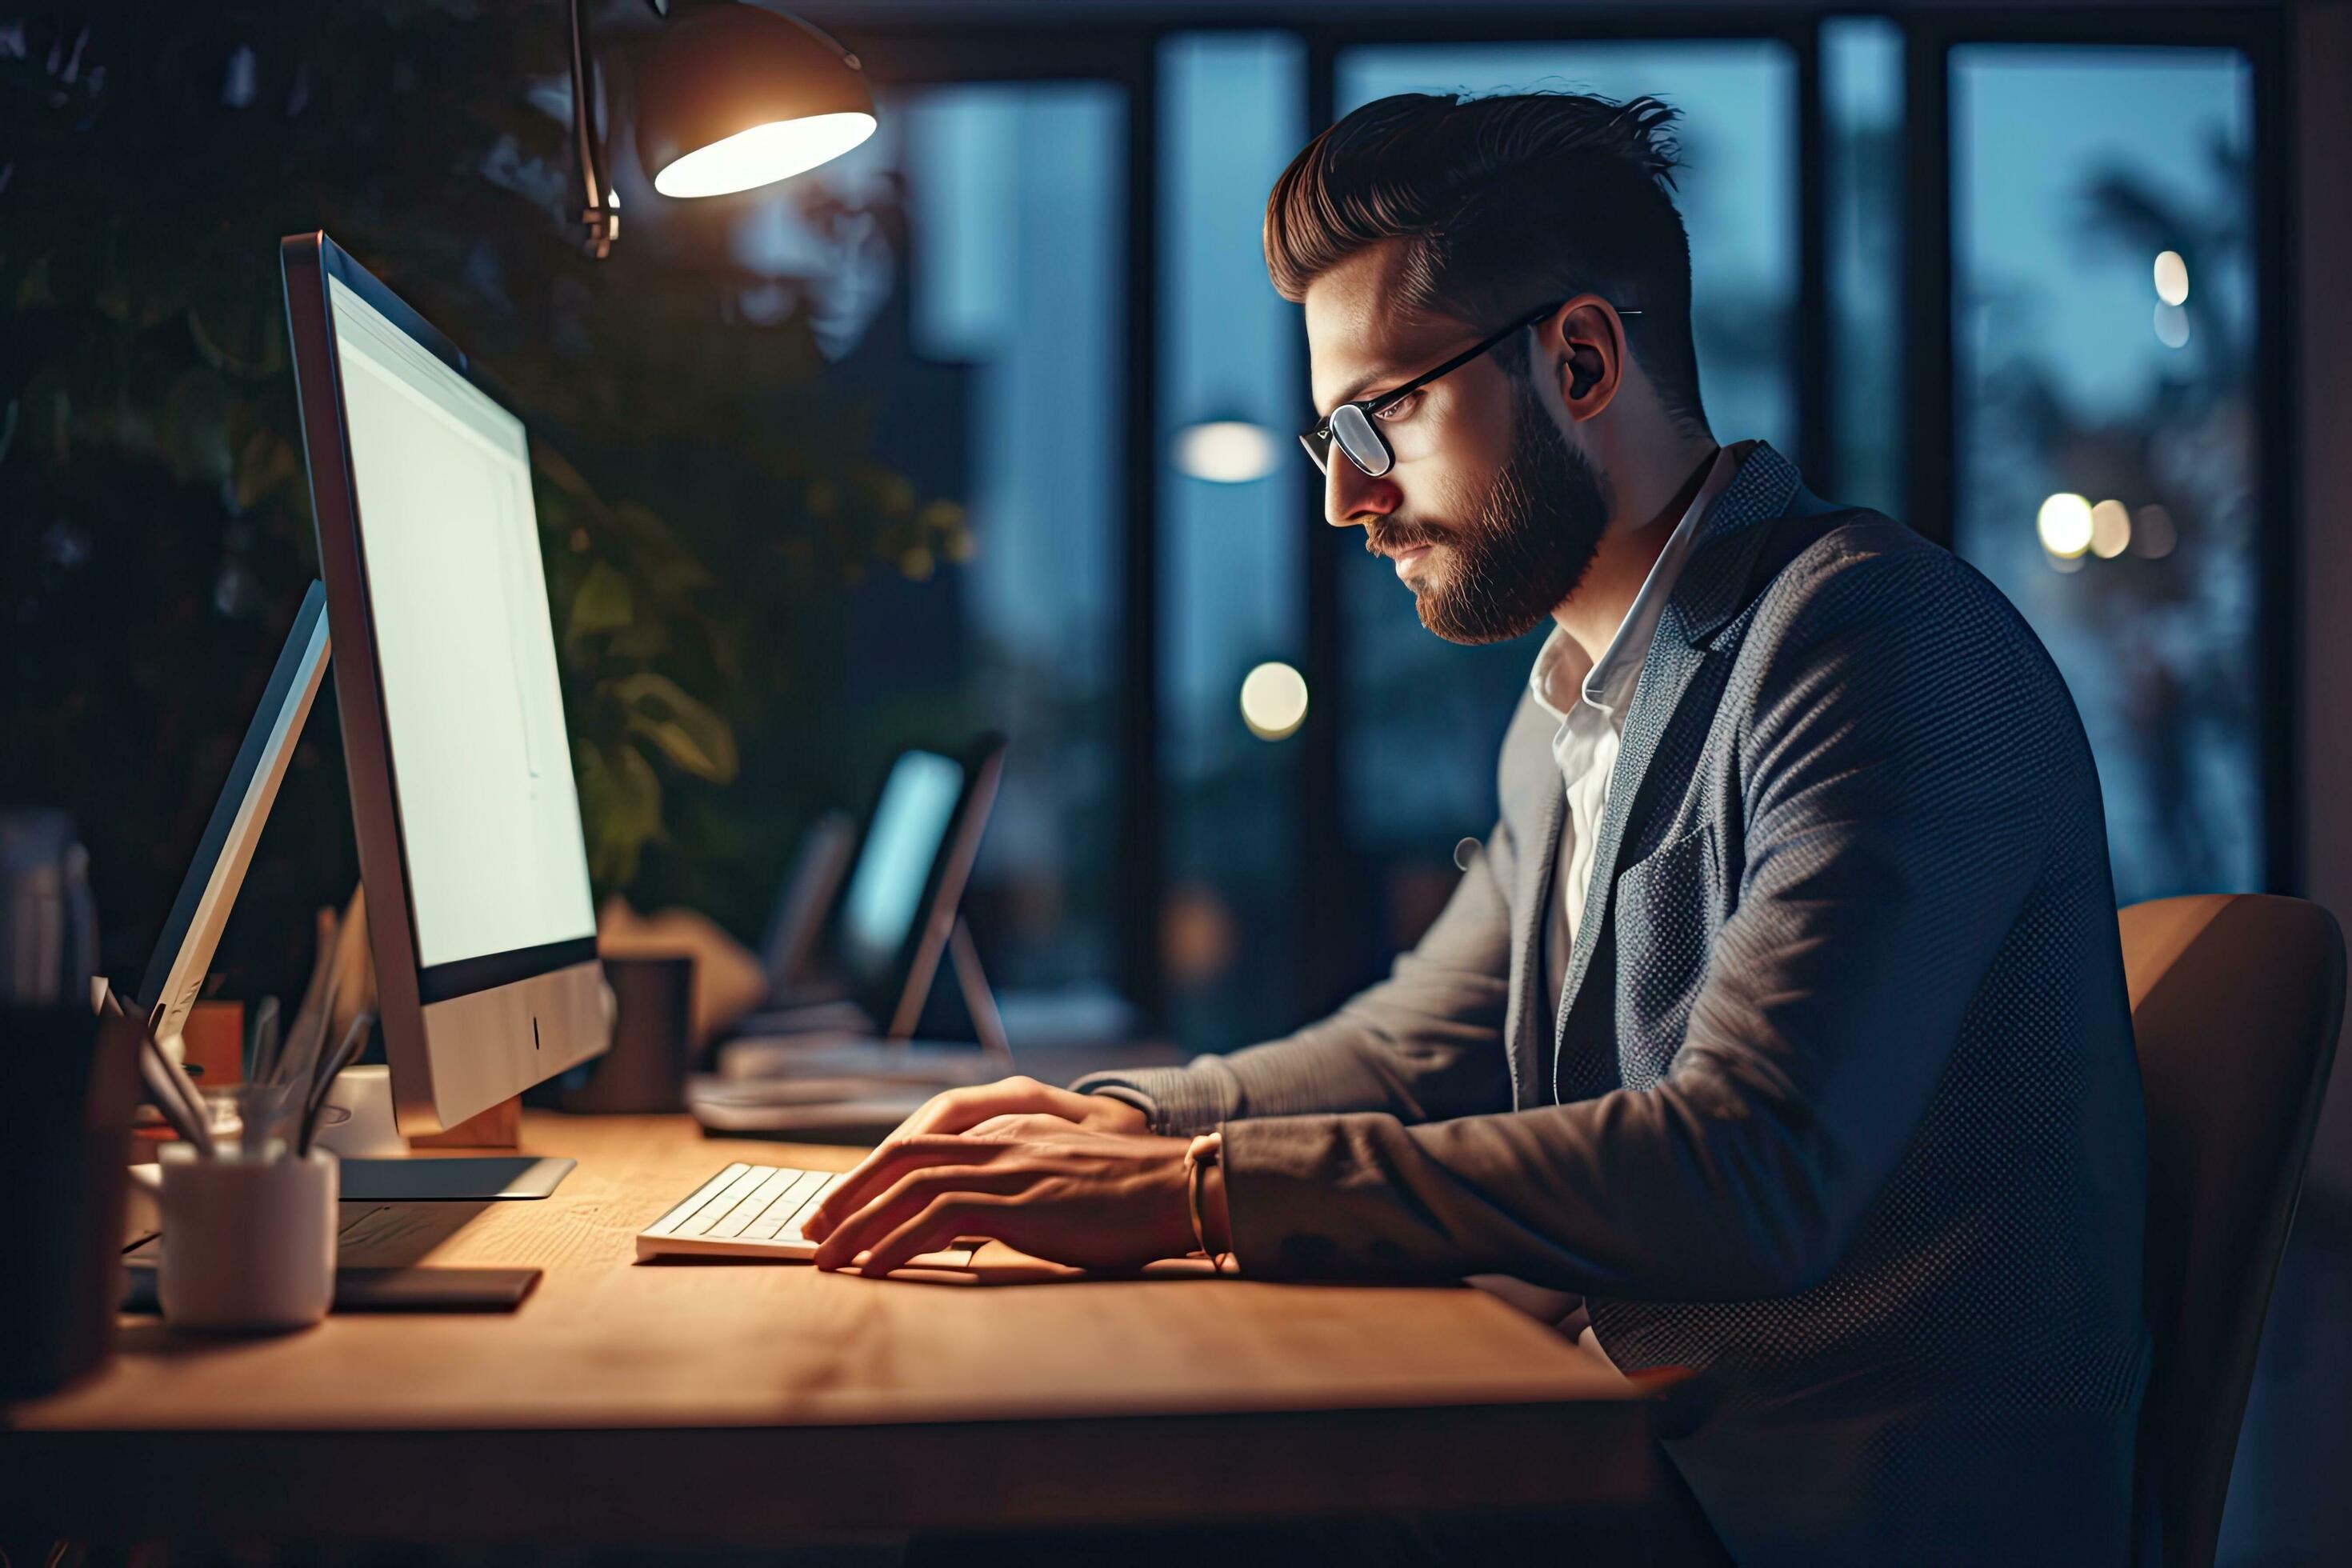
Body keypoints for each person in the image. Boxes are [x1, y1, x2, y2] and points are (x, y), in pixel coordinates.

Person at [805, 90, 2150, 1565]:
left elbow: (1758, 1170)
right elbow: (1414, 1049)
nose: (1344, 497)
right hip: (1633, 1441)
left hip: (1821, 1516)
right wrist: (1125, 1123)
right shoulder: (1571, 696)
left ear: (1580, 359)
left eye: (1381, 416)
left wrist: (1192, 1193)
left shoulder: (1870, 639)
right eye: (1329, 432)